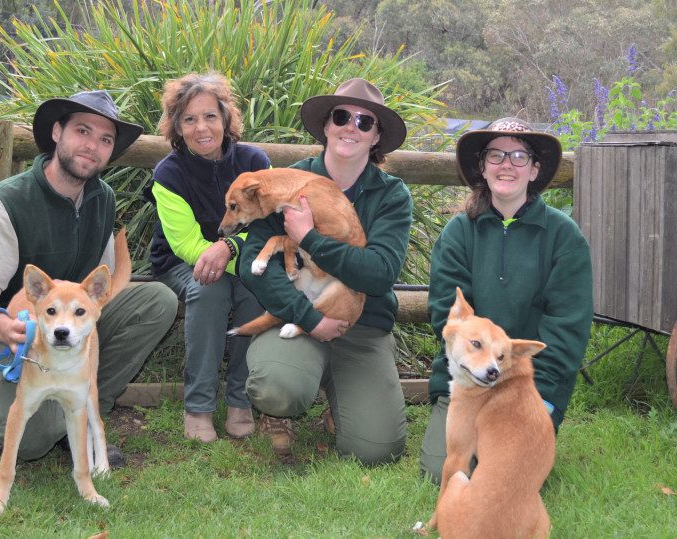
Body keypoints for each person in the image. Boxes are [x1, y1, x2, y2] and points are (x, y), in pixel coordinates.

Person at [0, 90, 179, 466]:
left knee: (158, 301)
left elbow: (97, 291)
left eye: (106, 140)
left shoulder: (102, 198)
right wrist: (3, 326)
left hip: (69, 328)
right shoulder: (8, 201)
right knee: (33, 440)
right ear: (57, 132)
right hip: (4, 344)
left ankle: (87, 417)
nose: (93, 146)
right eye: (83, 132)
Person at [239, 78, 413, 465]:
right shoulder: (287, 180)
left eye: (365, 122)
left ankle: (343, 396)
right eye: (341, 116)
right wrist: (309, 318)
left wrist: (310, 238)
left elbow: (379, 273)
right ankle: (279, 409)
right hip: (298, 315)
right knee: (277, 388)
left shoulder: (391, 195)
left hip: (362, 325)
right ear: (327, 126)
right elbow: (252, 265)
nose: (351, 126)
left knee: (376, 449)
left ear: (376, 137)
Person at [419, 117, 593, 483]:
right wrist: (477, 373)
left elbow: (567, 327)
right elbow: (446, 318)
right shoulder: (458, 233)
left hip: (529, 386)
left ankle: (532, 437)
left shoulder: (564, 237)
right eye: (496, 155)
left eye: (518, 155)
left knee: (506, 479)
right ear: (482, 167)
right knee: (445, 473)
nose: (507, 164)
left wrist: (537, 401)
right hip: (468, 381)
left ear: (535, 168)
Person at [146, 73, 271, 443]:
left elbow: (264, 225)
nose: (202, 127)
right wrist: (223, 255)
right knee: (210, 290)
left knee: (254, 290)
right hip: (181, 264)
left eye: (210, 117)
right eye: (189, 119)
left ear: (225, 119)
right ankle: (198, 406)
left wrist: (230, 247)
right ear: (177, 127)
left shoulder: (253, 162)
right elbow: (185, 244)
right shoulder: (168, 173)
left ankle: (239, 401)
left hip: (241, 257)